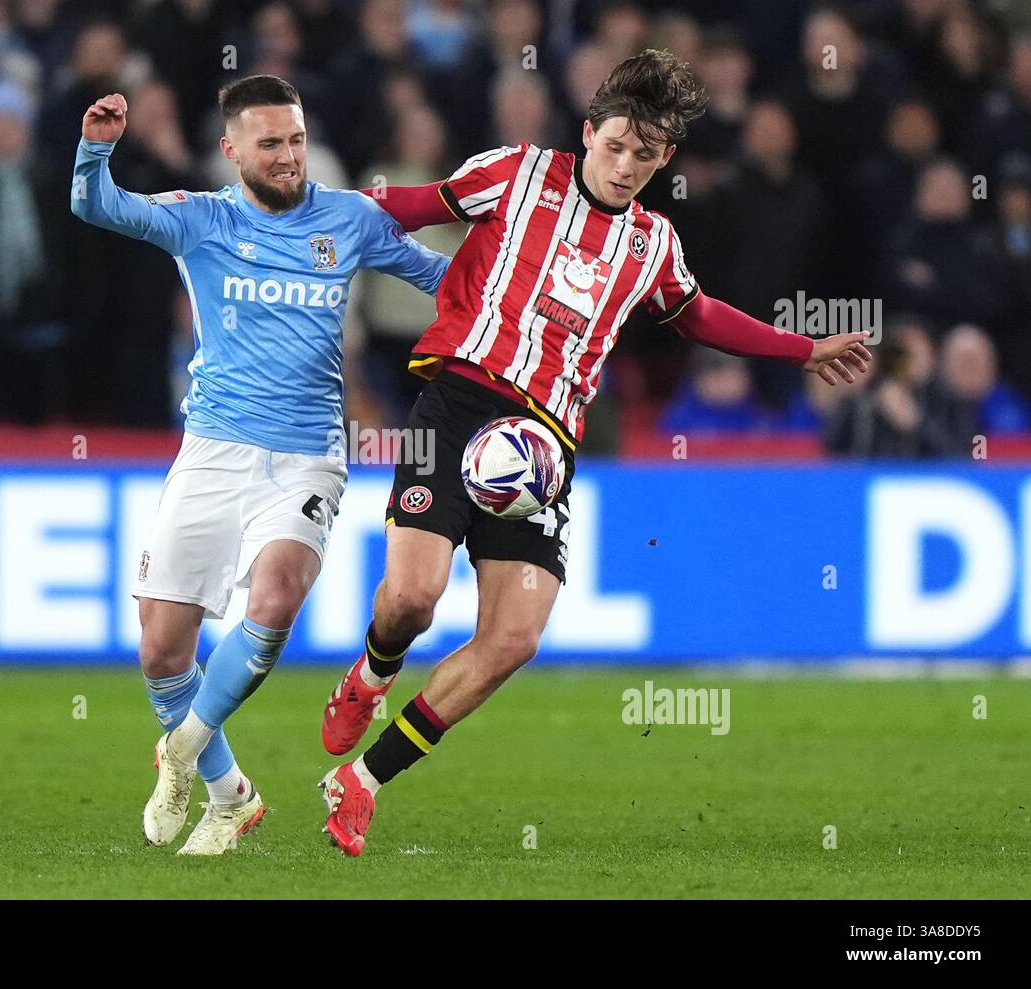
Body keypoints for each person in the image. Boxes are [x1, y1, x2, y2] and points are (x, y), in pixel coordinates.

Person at [318, 49, 873, 856]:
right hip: (459, 404)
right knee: (412, 597)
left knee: (513, 640)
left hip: (543, 444)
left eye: (645, 157)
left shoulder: (652, 244)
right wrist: (308, 209)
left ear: (665, 160)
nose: (625, 167)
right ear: (588, 133)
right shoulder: (515, 173)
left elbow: (701, 314)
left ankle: (362, 782)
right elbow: (410, 204)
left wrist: (801, 348)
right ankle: (370, 674)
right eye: (614, 146)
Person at [72, 75, 448, 855]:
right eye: (270, 143)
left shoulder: (347, 219)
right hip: (212, 450)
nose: (288, 156)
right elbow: (98, 207)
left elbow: (442, 281)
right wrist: (94, 154)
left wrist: (524, 297)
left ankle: (179, 750)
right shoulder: (199, 219)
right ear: (232, 149)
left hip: (307, 454)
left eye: (297, 140)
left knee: (275, 597)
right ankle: (228, 794)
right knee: (161, 650)